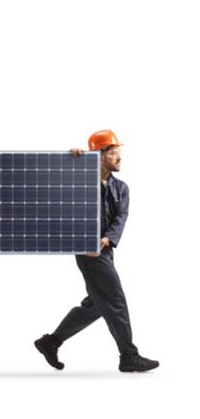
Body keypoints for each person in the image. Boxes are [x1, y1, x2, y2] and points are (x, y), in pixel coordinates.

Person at [34, 130, 158, 373]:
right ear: (99, 156)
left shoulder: (121, 188)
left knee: (98, 304)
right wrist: (71, 165)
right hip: (88, 252)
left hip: (105, 250)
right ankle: (128, 355)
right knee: (115, 299)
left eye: (118, 152)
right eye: (112, 153)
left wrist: (107, 239)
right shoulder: (80, 181)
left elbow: (120, 218)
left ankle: (51, 341)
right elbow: (57, 194)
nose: (118, 157)